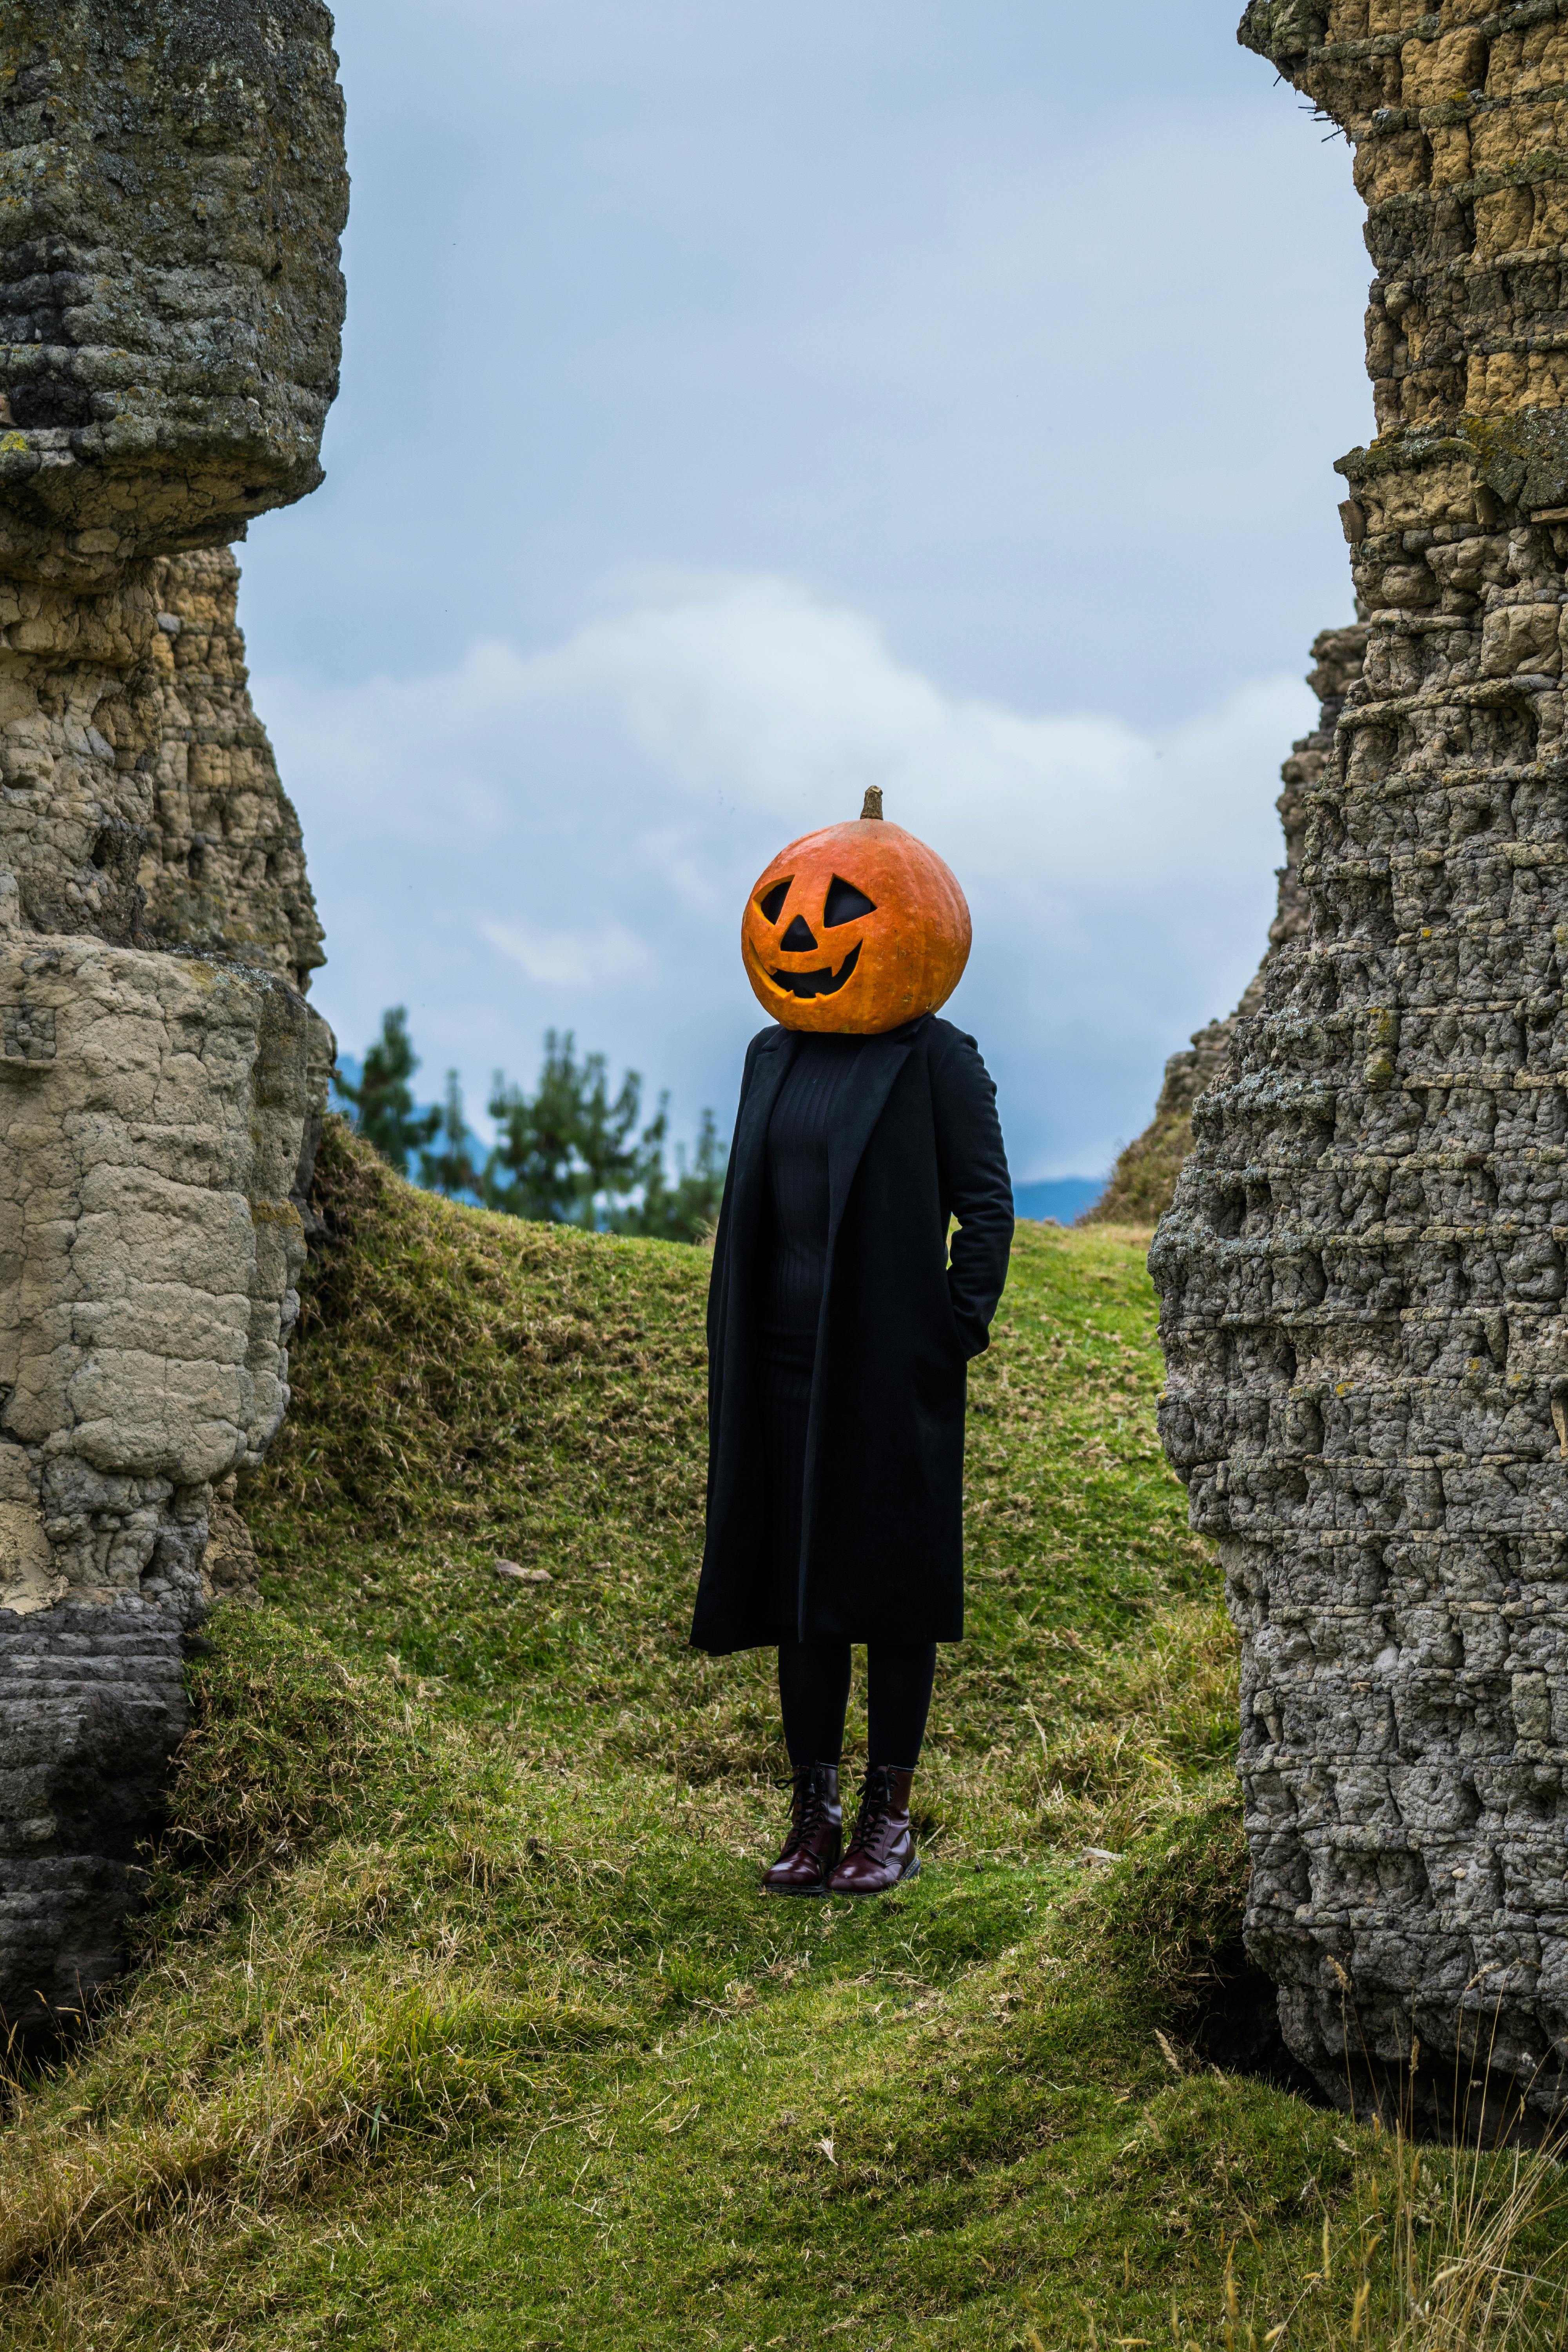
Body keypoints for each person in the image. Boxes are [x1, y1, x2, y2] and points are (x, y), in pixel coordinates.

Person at [691, 796, 1013, 1896]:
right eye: (784, 909)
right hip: (779, 1362)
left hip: (887, 1365)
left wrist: (950, 1330)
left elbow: (987, 1208)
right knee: (801, 1589)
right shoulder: (771, 1055)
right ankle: (813, 1811)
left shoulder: (937, 1059)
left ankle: (890, 1816)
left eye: (832, 912)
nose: (799, 931)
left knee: (891, 1590)